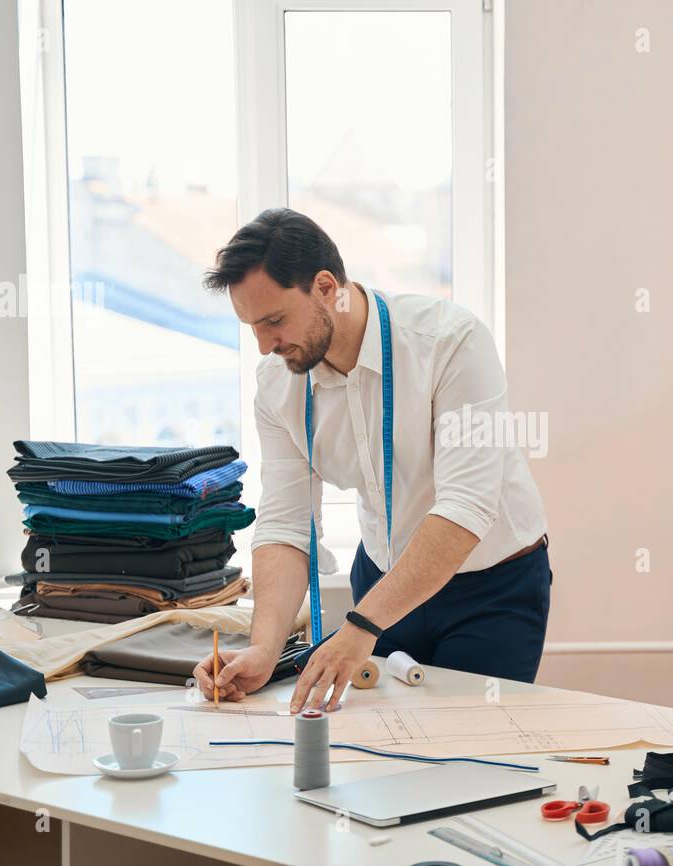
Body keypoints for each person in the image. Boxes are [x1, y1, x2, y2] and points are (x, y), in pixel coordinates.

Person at [192, 208, 550, 712]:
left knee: (472, 756)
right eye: (252, 327)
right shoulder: (278, 385)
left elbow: (466, 508)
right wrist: (264, 650)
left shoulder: (451, 343)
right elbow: (286, 524)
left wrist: (360, 624)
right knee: (374, 754)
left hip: (490, 590)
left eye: (274, 321)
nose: (266, 345)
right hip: (382, 579)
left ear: (324, 287)